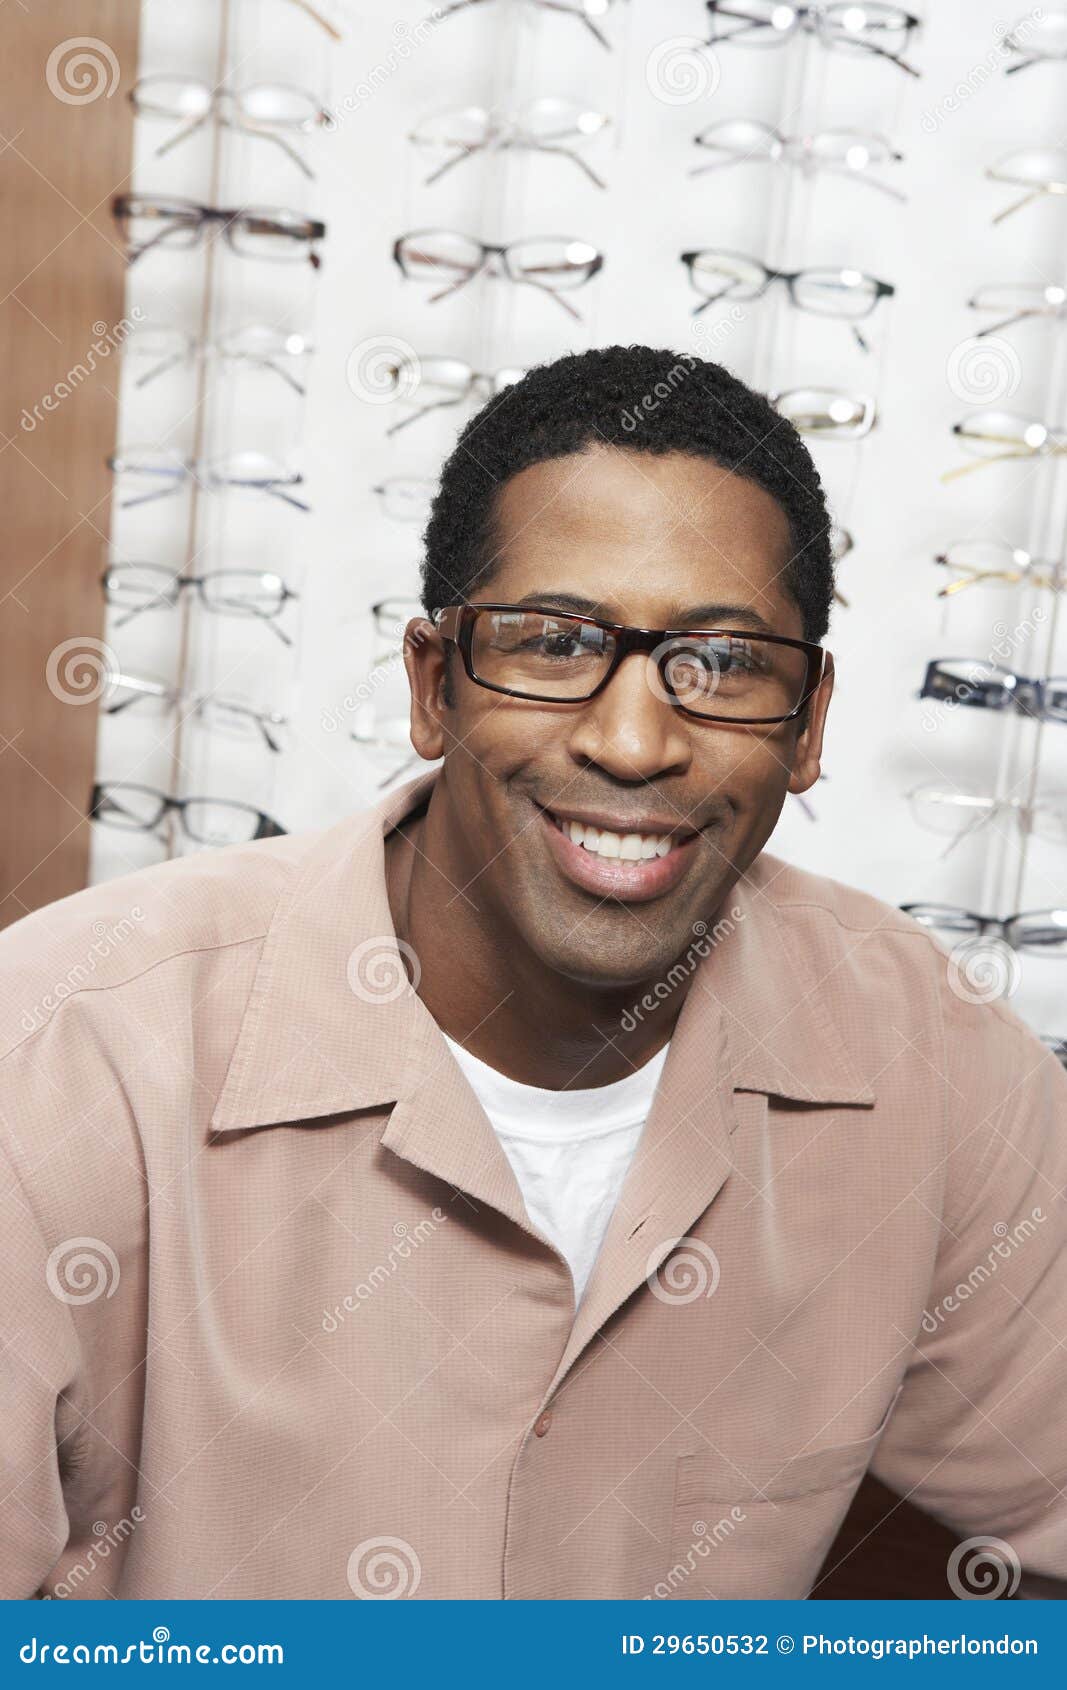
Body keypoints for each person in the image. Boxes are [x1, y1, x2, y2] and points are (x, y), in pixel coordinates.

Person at [1, 346, 1064, 1602]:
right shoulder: (64, 1048)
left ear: (809, 724)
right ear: (432, 686)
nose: (631, 741)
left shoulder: (931, 1060)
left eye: (723, 665)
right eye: (554, 643)